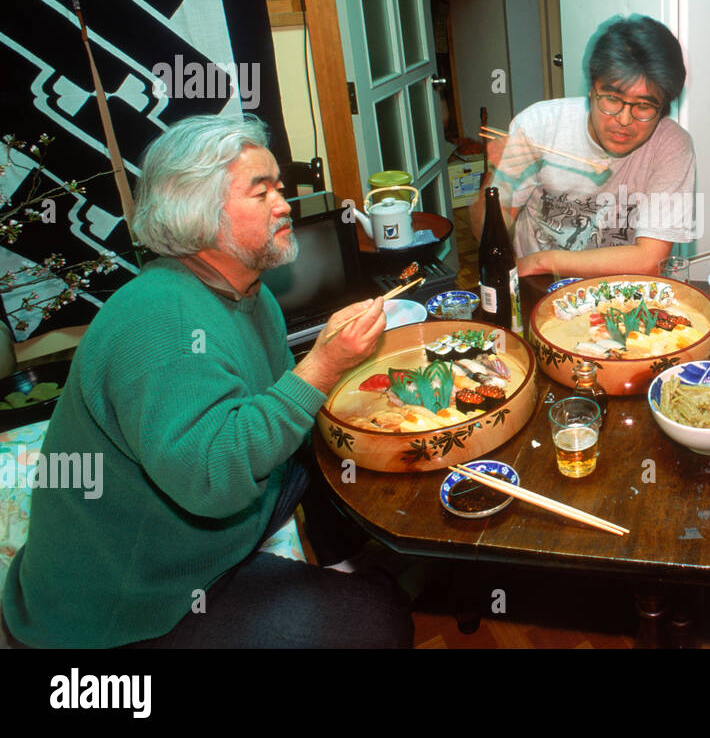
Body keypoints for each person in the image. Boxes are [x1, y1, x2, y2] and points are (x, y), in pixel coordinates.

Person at [0, 114, 413, 648]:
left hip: (207, 533)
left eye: (279, 188)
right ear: (197, 212)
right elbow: (213, 482)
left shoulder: (248, 290)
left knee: (340, 441)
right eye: (260, 192)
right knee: (377, 621)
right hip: (130, 606)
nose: (284, 204)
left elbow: (269, 398)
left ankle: (339, 559)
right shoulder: (160, 321)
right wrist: (323, 365)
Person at [470, 15, 697, 277]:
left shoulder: (672, 145)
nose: (624, 120)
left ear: (662, 108)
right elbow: (483, 234)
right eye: (612, 99)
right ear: (592, 89)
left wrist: (543, 261)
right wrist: (499, 176)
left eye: (644, 106)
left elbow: (649, 260)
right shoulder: (540, 125)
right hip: (543, 288)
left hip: (622, 292)